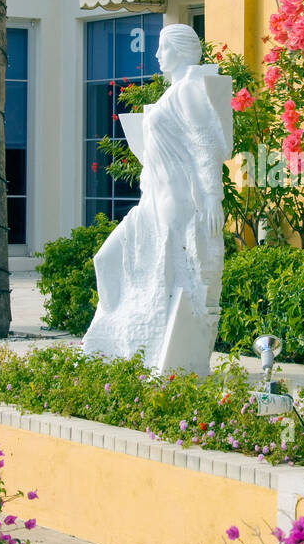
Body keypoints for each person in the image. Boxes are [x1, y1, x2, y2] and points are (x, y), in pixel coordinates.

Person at [81, 24, 231, 375]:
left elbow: (206, 145)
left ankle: (161, 347)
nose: (157, 55)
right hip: (154, 198)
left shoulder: (188, 91)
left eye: (163, 48)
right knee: (108, 258)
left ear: (179, 51)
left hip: (175, 201)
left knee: (168, 275)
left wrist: (212, 196)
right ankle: (121, 342)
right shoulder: (173, 93)